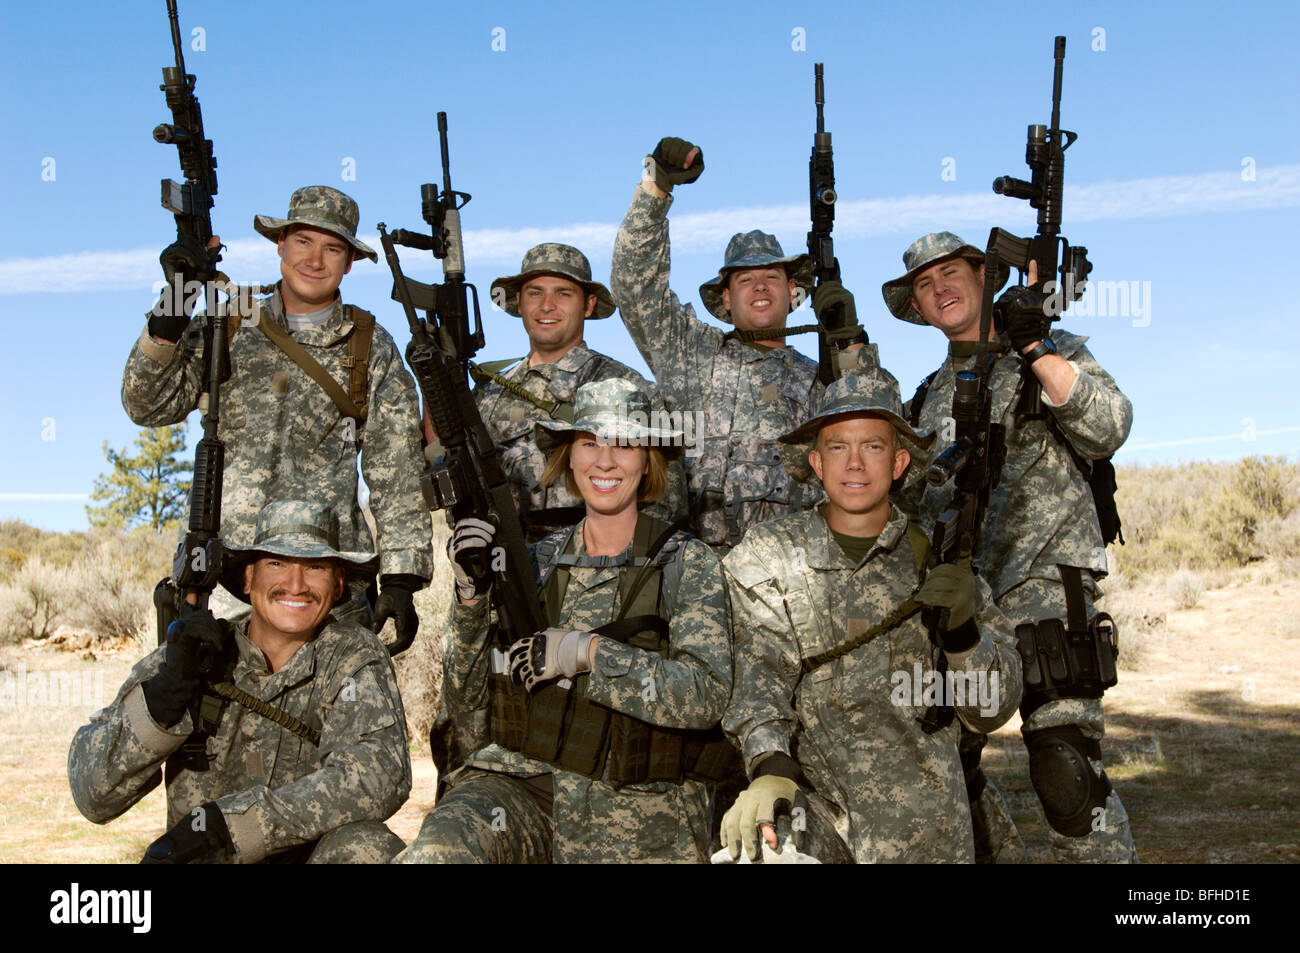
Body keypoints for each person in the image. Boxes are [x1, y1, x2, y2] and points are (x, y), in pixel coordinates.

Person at [396, 379, 732, 863]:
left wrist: (590, 654)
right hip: (522, 789)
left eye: (625, 444)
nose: (606, 461)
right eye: (590, 443)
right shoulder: (532, 563)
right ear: (569, 458)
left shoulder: (688, 563)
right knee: (439, 852)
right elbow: (466, 699)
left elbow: (706, 697)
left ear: (648, 459)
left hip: (640, 810)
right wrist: (470, 595)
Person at [883, 231, 1137, 863]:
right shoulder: (924, 397)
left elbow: (1110, 427)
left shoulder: (1050, 348)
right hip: (964, 607)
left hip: (1047, 591)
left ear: (982, 276)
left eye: (952, 272)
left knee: (1066, 772)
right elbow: (911, 508)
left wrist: (1034, 345)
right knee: (950, 779)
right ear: (917, 304)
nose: (940, 287)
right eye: (924, 282)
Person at [720, 372, 1022, 863]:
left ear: (900, 462)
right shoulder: (767, 555)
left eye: (874, 447)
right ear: (816, 462)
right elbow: (757, 679)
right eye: (838, 447)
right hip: (812, 813)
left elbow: (990, 712)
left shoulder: (939, 561)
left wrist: (965, 635)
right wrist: (770, 765)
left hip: (926, 831)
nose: (855, 463)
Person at [122, 185, 431, 638]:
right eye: (303, 242)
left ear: (348, 262)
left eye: (332, 248)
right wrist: (177, 297)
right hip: (222, 581)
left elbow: (397, 469)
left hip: (326, 589)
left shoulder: (370, 343)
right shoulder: (230, 320)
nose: (315, 260)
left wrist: (401, 580)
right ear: (280, 245)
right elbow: (147, 404)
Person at [68, 500, 412, 863]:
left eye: (315, 567)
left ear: (339, 583)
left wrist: (228, 826)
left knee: (368, 848)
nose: (295, 585)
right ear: (248, 578)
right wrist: (162, 701)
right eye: (276, 563)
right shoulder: (193, 655)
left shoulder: (353, 654)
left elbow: (378, 776)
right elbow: (93, 795)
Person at [611, 136, 888, 553]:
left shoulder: (823, 379)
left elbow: (877, 435)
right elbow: (636, 289)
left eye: (771, 276)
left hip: (801, 578)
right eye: (744, 278)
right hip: (703, 579)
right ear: (725, 298)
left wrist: (851, 343)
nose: (759, 284)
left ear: (793, 292)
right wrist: (657, 188)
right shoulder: (693, 356)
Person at [469, 243, 686, 543]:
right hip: (507, 570)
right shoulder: (487, 394)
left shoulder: (632, 389)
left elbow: (666, 506)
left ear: (588, 304)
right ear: (519, 302)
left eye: (563, 293)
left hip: (597, 573)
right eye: (535, 292)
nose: (547, 305)